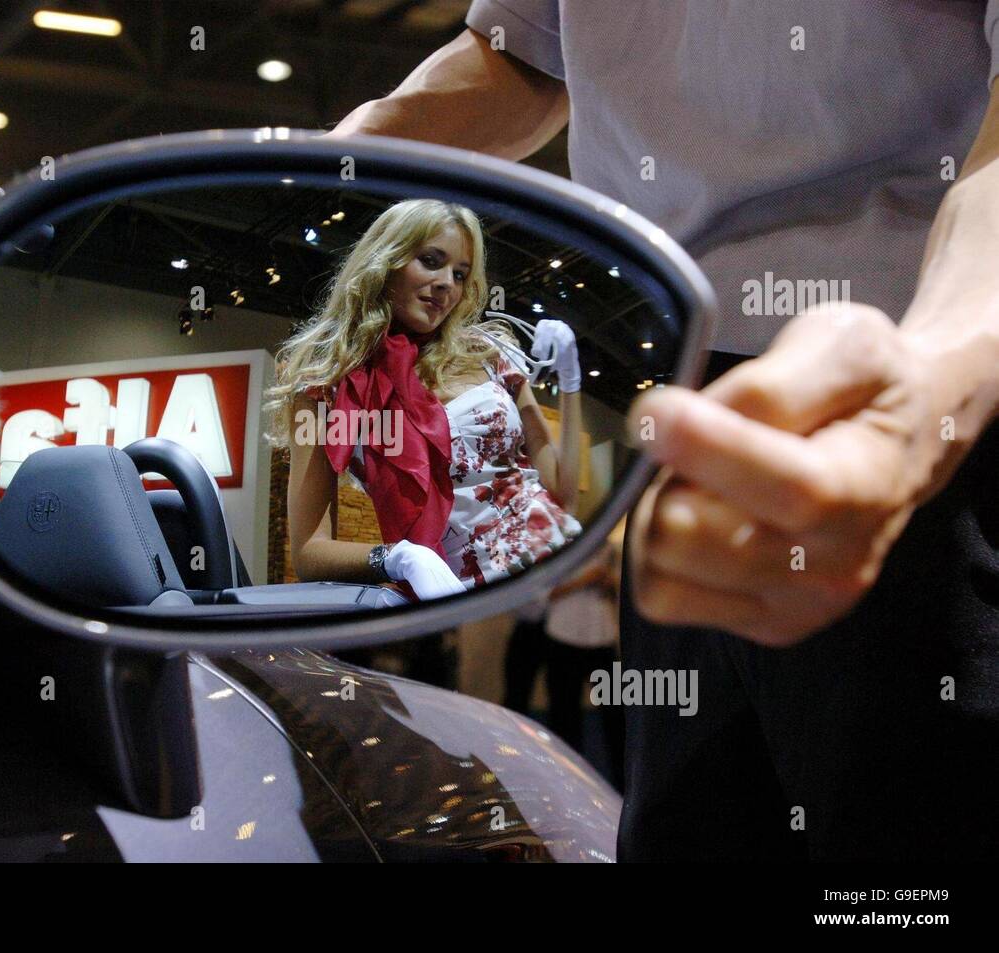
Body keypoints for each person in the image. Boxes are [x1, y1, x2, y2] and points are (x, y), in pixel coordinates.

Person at [326, 3, 999, 860]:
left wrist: (931, 391)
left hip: (923, 366)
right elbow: (523, 57)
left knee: (907, 863)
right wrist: (353, 147)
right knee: (689, 828)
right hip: (675, 388)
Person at [264, 198, 585, 602]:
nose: (447, 283)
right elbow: (309, 552)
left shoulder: (489, 352)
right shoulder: (327, 385)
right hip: (455, 599)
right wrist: (398, 558)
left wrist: (571, 383)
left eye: (460, 273)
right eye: (431, 261)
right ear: (387, 260)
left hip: (561, 569)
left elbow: (564, 497)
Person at [504, 524, 624, 786]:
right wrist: (585, 579)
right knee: (564, 718)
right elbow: (540, 596)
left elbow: (621, 591)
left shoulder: (609, 543)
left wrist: (608, 582)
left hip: (601, 636)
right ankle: (568, 785)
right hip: (563, 635)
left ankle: (623, 788)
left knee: (616, 719)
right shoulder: (552, 540)